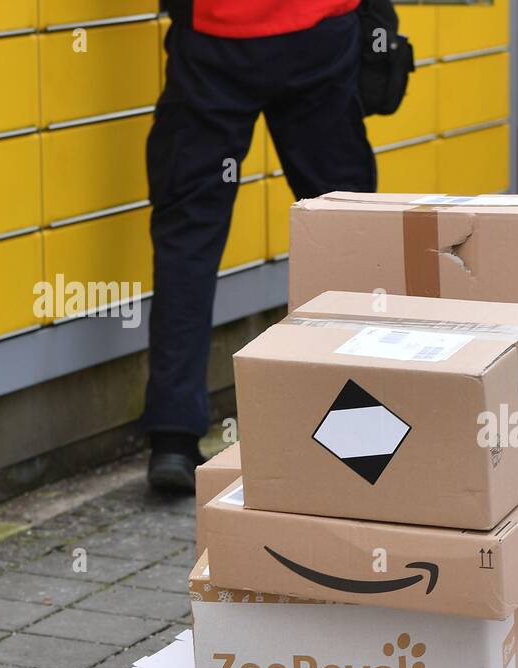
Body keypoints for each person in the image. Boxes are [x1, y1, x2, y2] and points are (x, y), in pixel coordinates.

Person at [143, 0, 377, 492]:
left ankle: (173, 438)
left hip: (214, 41)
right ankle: (363, 429)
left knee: (189, 235)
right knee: (344, 229)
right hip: (318, 34)